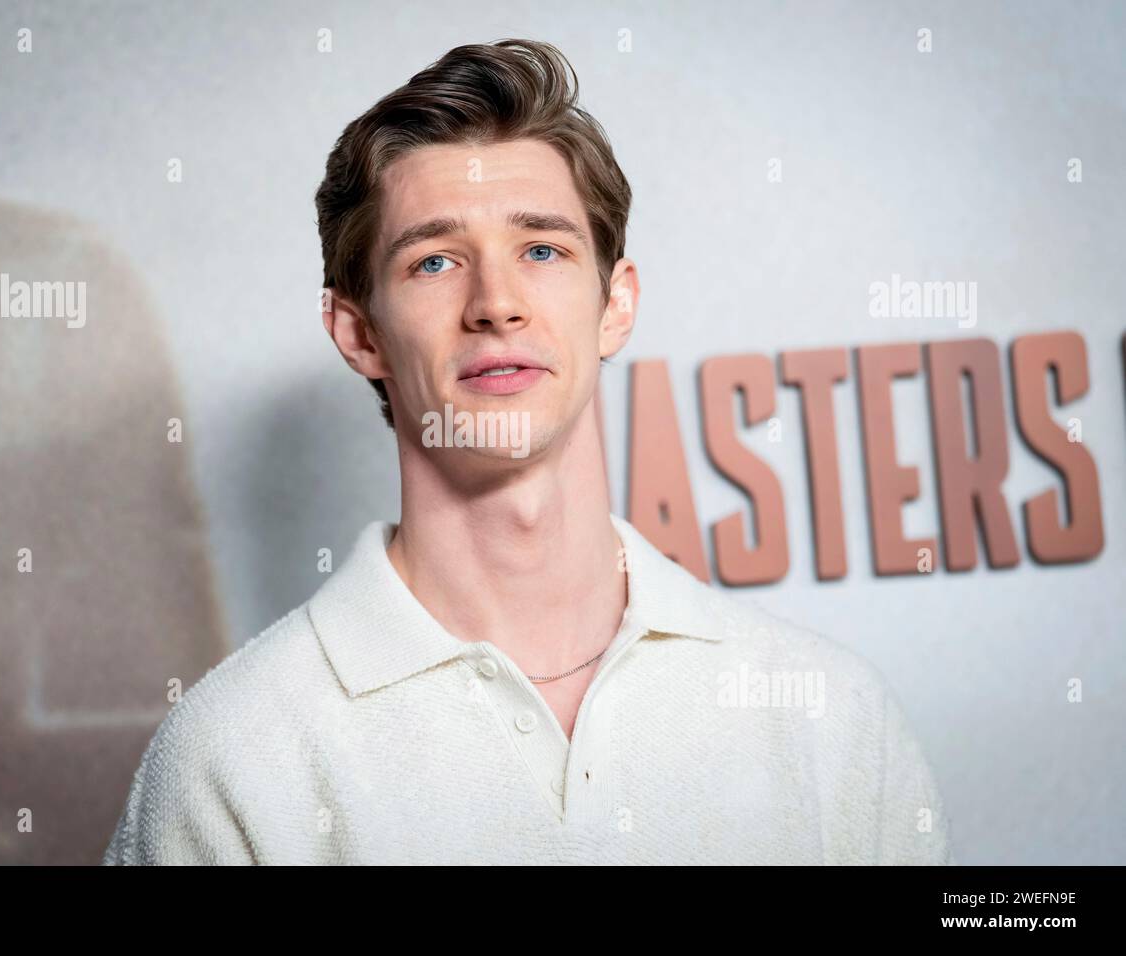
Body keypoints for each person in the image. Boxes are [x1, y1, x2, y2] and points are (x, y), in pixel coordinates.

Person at [103, 37, 952, 865]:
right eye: (435, 262)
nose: (497, 303)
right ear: (359, 333)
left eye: (541, 249)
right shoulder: (230, 761)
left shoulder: (831, 720)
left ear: (615, 304)